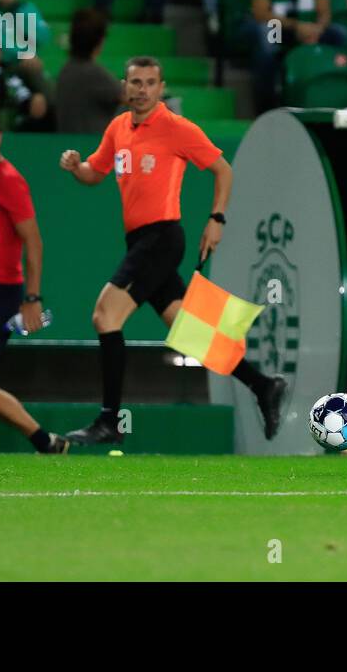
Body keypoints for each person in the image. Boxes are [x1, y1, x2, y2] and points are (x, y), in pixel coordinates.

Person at [59, 57, 286, 445]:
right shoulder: (117, 128)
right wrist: (76, 167)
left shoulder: (174, 128)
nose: (142, 90)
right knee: (193, 329)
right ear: (124, 86)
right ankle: (263, 385)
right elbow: (95, 174)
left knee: (104, 314)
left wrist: (217, 218)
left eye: (150, 83)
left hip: (161, 239)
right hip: (140, 241)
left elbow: (223, 170)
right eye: (135, 82)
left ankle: (109, 420)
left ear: (161, 88)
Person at [0, 108, 69, 454]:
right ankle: (45, 442)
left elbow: (33, 241)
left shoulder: (8, 179)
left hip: (1, 291)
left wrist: (33, 298)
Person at [56, 8, 122, 134]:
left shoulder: (66, 70)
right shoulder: (93, 74)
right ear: (100, 41)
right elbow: (131, 98)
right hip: (93, 146)